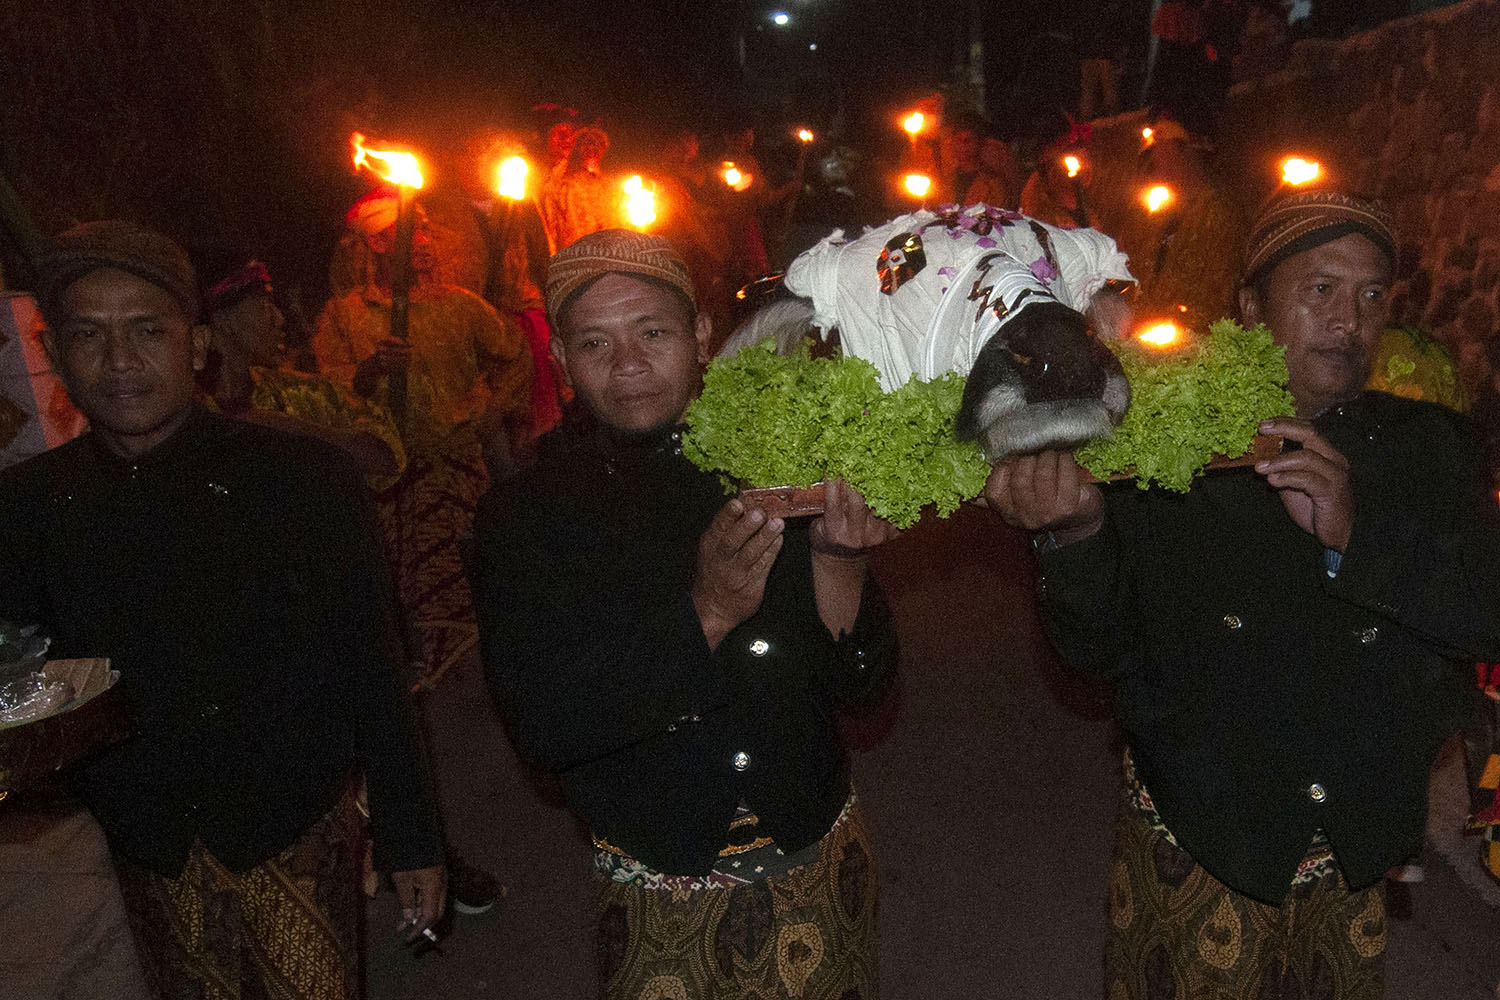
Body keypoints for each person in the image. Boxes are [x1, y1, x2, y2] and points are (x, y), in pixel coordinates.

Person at [982, 191, 1500, 999]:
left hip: (1350, 856)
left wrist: (1355, 535)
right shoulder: (1164, 442)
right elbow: (1094, 654)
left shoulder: (1427, 447)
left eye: (1371, 295)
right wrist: (1073, 534)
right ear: (1251, 307)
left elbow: (1484, 617)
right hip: (1201, 845)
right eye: (1320, 289)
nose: (1349, 319)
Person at [0, 220, 446, 999]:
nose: (119, 359)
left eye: (147, 330)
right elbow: (26, 674)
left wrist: (412, 838)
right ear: (56, 355)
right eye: (88, 334)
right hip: (152, 844)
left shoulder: (302, 480)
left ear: (198, 345)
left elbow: (374, 665)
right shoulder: (31, 507)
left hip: (295, 827)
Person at [474, 230, 899, 1000]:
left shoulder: (777, 465)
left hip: (817, 853)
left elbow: (863, 691)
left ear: (702, 334)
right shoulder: (526, 517)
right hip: (657, 884)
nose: (627, 363)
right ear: (560, 360)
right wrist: (707, 614)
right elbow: (544, 726)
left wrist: (840, 558)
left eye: (653, 332)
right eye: (594, 342)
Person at [315, 189, 533, 690]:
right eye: (413, 231)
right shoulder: (346, 315)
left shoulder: (460, 305)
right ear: (378, 244)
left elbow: (515, 352)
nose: (427, 241)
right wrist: (369, 372)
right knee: (411, 607)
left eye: (429, 230)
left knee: (480, 599)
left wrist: (492, 409)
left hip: (463, 477)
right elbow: (328, 394)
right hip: (393, 487)